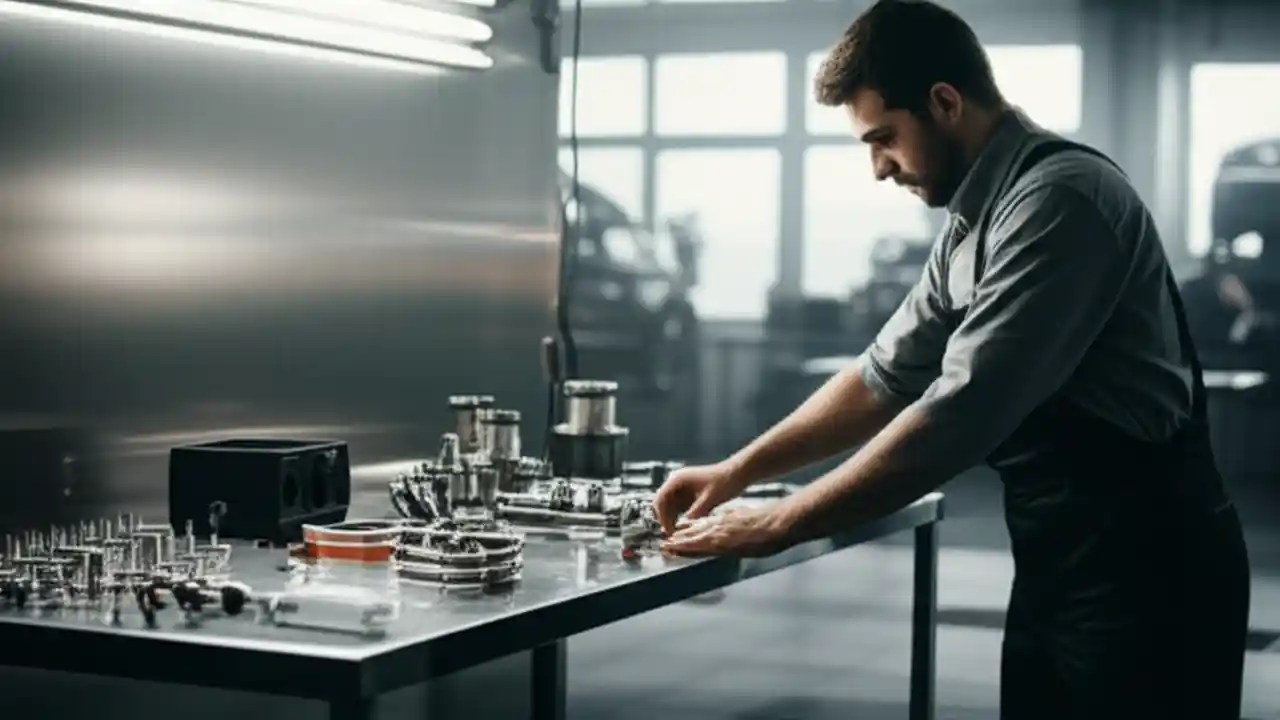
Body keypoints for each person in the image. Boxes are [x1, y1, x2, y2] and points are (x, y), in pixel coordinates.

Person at [652, 1, 1252, 718]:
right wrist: (738, 471)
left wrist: (783, 522)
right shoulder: (976, 219)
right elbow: (883, 376)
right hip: (1060, 566)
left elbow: (960, 414)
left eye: (885, 138)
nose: (878, 168)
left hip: (1156, 574)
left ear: (943, 102)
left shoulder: (1060, 199)